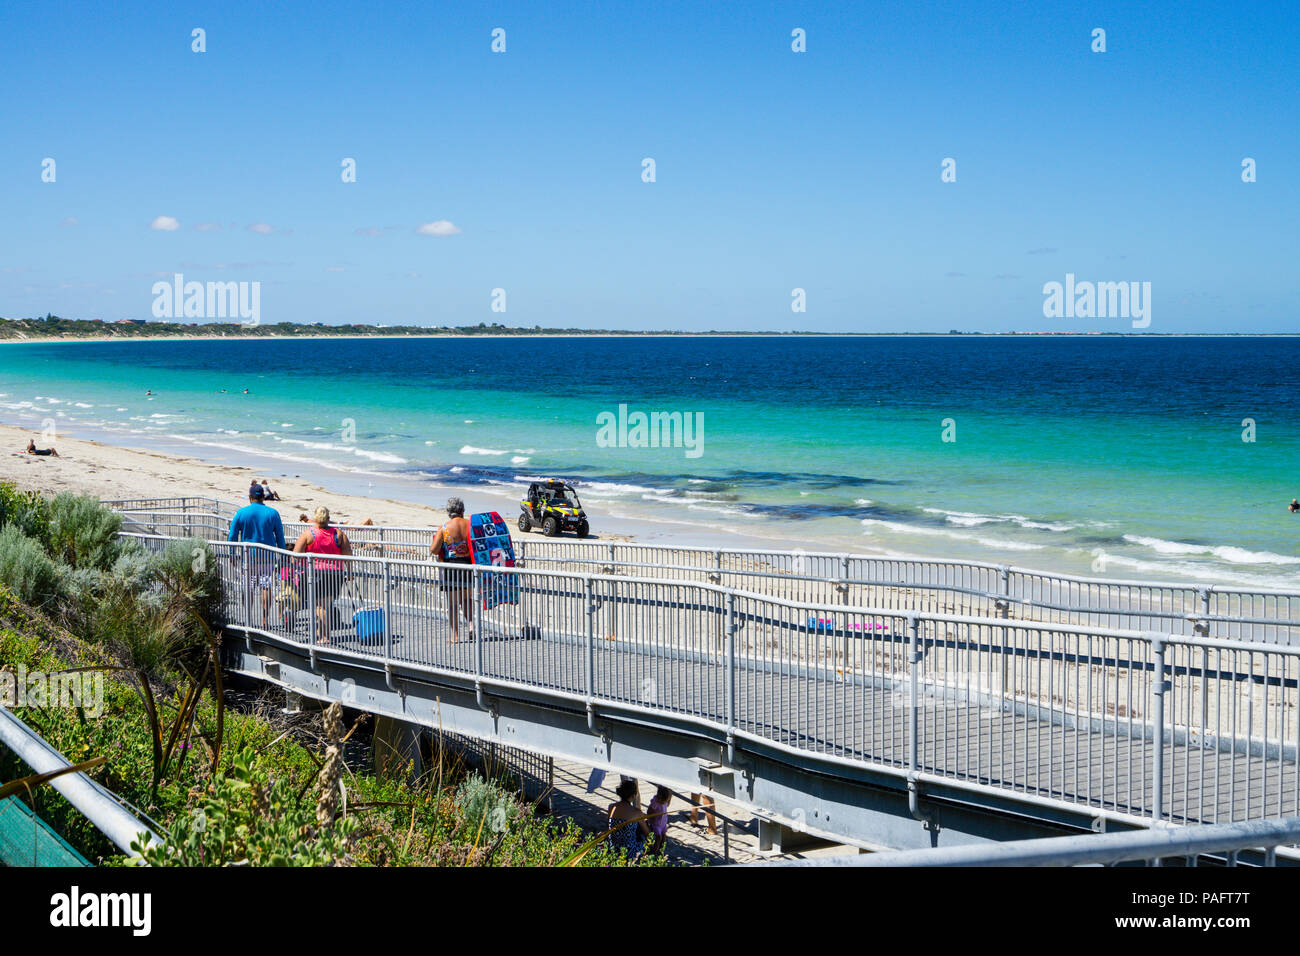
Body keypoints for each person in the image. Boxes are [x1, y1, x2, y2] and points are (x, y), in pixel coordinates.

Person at [227, 484, 286, 628]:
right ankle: (265, 620)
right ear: (263, 497)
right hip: (268, 558)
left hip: (249, 558)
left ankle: (248, 618)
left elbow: (232, 535)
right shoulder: (273, 513)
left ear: (250, 497)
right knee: (266, 587)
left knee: (248, 588)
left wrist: (231, 554)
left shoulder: (241, 513)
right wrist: (283, 557)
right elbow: (280, 537)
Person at [293, 507, 353, 645]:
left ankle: (325, 636)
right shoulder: (339, 534)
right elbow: (348, 556)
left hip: (315, 573)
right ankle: (321, 632)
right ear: (328, 517)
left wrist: (302, 563)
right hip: (335, 574)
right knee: (325, 605)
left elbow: (295, 556)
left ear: (315, 518)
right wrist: (349, 573)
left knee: (320, 607)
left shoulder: (308, 534)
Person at [430, 497, 473, 643]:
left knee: (453, 603)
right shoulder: (470, 525)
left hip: (451, 567)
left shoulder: (444, 528)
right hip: (468, 565)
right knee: (467, 599)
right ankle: (471, 624)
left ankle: (455, 636)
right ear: (462, 510)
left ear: (448, 511)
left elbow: (434, 550)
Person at [607, 779, 649, 860]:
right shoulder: (637, 812)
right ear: (633, 795)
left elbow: (609, 825)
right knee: (644, 832)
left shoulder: (611, 807)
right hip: (629, 850)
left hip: (613, 846)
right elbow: (647, 833)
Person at [646, 784, 672, 856]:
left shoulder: (665, 800)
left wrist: (669, 797)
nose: (664, 802)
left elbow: (668, 803)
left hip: (663, 823)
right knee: (658, 837)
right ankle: (654, 851)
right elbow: (649, 811)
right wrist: (651, 819)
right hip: (656, 823)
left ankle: (661, 850)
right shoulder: (655, 802)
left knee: (663, 836)